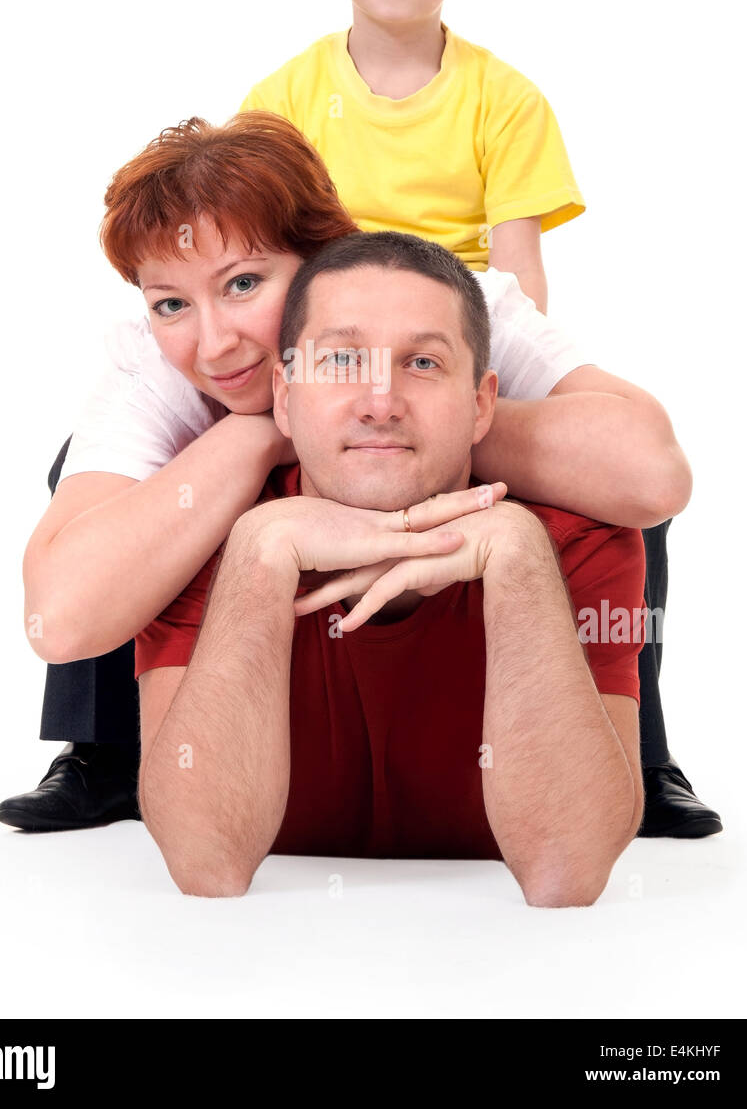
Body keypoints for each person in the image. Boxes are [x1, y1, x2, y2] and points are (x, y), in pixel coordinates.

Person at [1, 114, 704, 835]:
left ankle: (639, 754)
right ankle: (107, 752)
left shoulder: (444, 301)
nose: (215, 345)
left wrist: (424, 422)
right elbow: (56, 619)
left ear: (324, 256)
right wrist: (260, 437)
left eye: (243, 284)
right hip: (259, 573)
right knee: (102, 485)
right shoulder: (154, 370)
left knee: (599, 491)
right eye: (171, 304)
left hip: (452, 519)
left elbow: (652, 476)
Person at [236, 0, 718, 837]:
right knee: (97, 468)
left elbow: (517, 274)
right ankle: (97, 746)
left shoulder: (504, 99)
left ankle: (642, 745)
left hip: (459, 334)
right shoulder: (281, 100)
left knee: (628, 490)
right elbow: (262, 263)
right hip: (328, 342)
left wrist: (462, 390)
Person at [133, 230, 648, 904]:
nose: (380, 402)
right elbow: (207, 865)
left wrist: (518, 555)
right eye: (341, 360)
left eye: (424, 364)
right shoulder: (201, 536)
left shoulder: (577, 540)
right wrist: (261, 549)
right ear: (284, 398)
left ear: (482, 404)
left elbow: (568, 874)